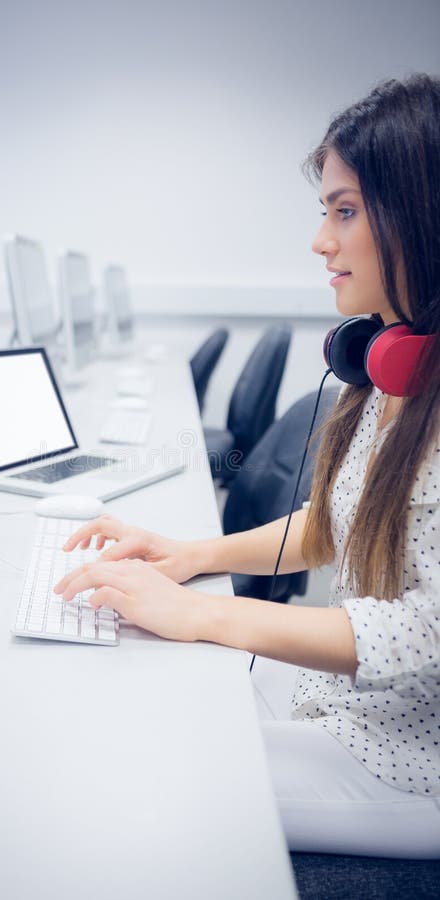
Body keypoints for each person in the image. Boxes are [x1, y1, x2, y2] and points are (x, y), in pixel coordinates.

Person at [54, 74, 440, 859]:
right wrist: (192, 556)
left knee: (139, 775)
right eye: (324, 212)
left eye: (345, 211)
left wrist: (205, 614)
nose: (321, 241)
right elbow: (335, 528)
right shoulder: (386, 371)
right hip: (344, 701)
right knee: (140, 683)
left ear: (420, 217)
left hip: (407, 763)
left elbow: (425, 630)